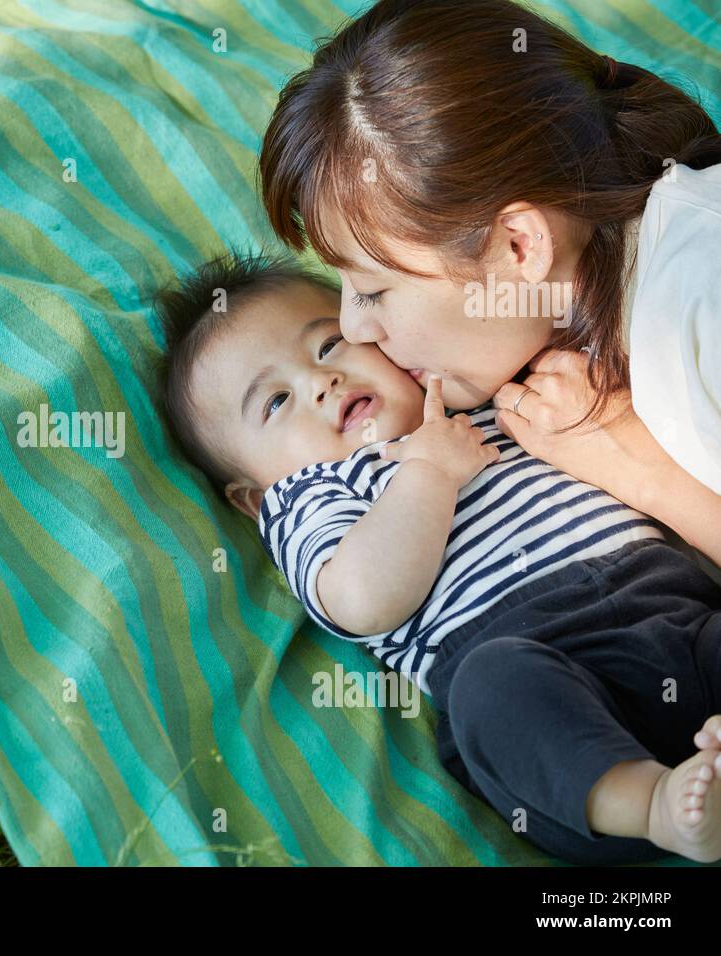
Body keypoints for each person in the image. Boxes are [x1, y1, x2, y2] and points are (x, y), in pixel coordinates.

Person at [153, 249, 721, 864]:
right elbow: (362, 598)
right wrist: (428, 473)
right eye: (275, 403)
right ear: (253, 497)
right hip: (538, 665)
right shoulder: (310, 495)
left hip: (672, 610)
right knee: (493, 694)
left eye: (326, 347)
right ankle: (656, 803)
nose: (321, 383)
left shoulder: (480, 394)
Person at [257, 0, 721, 575]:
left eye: (375, 291)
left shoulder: (701, 296)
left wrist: (643, 471)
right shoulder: (561, 317)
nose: (353, 328)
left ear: (520, 246)